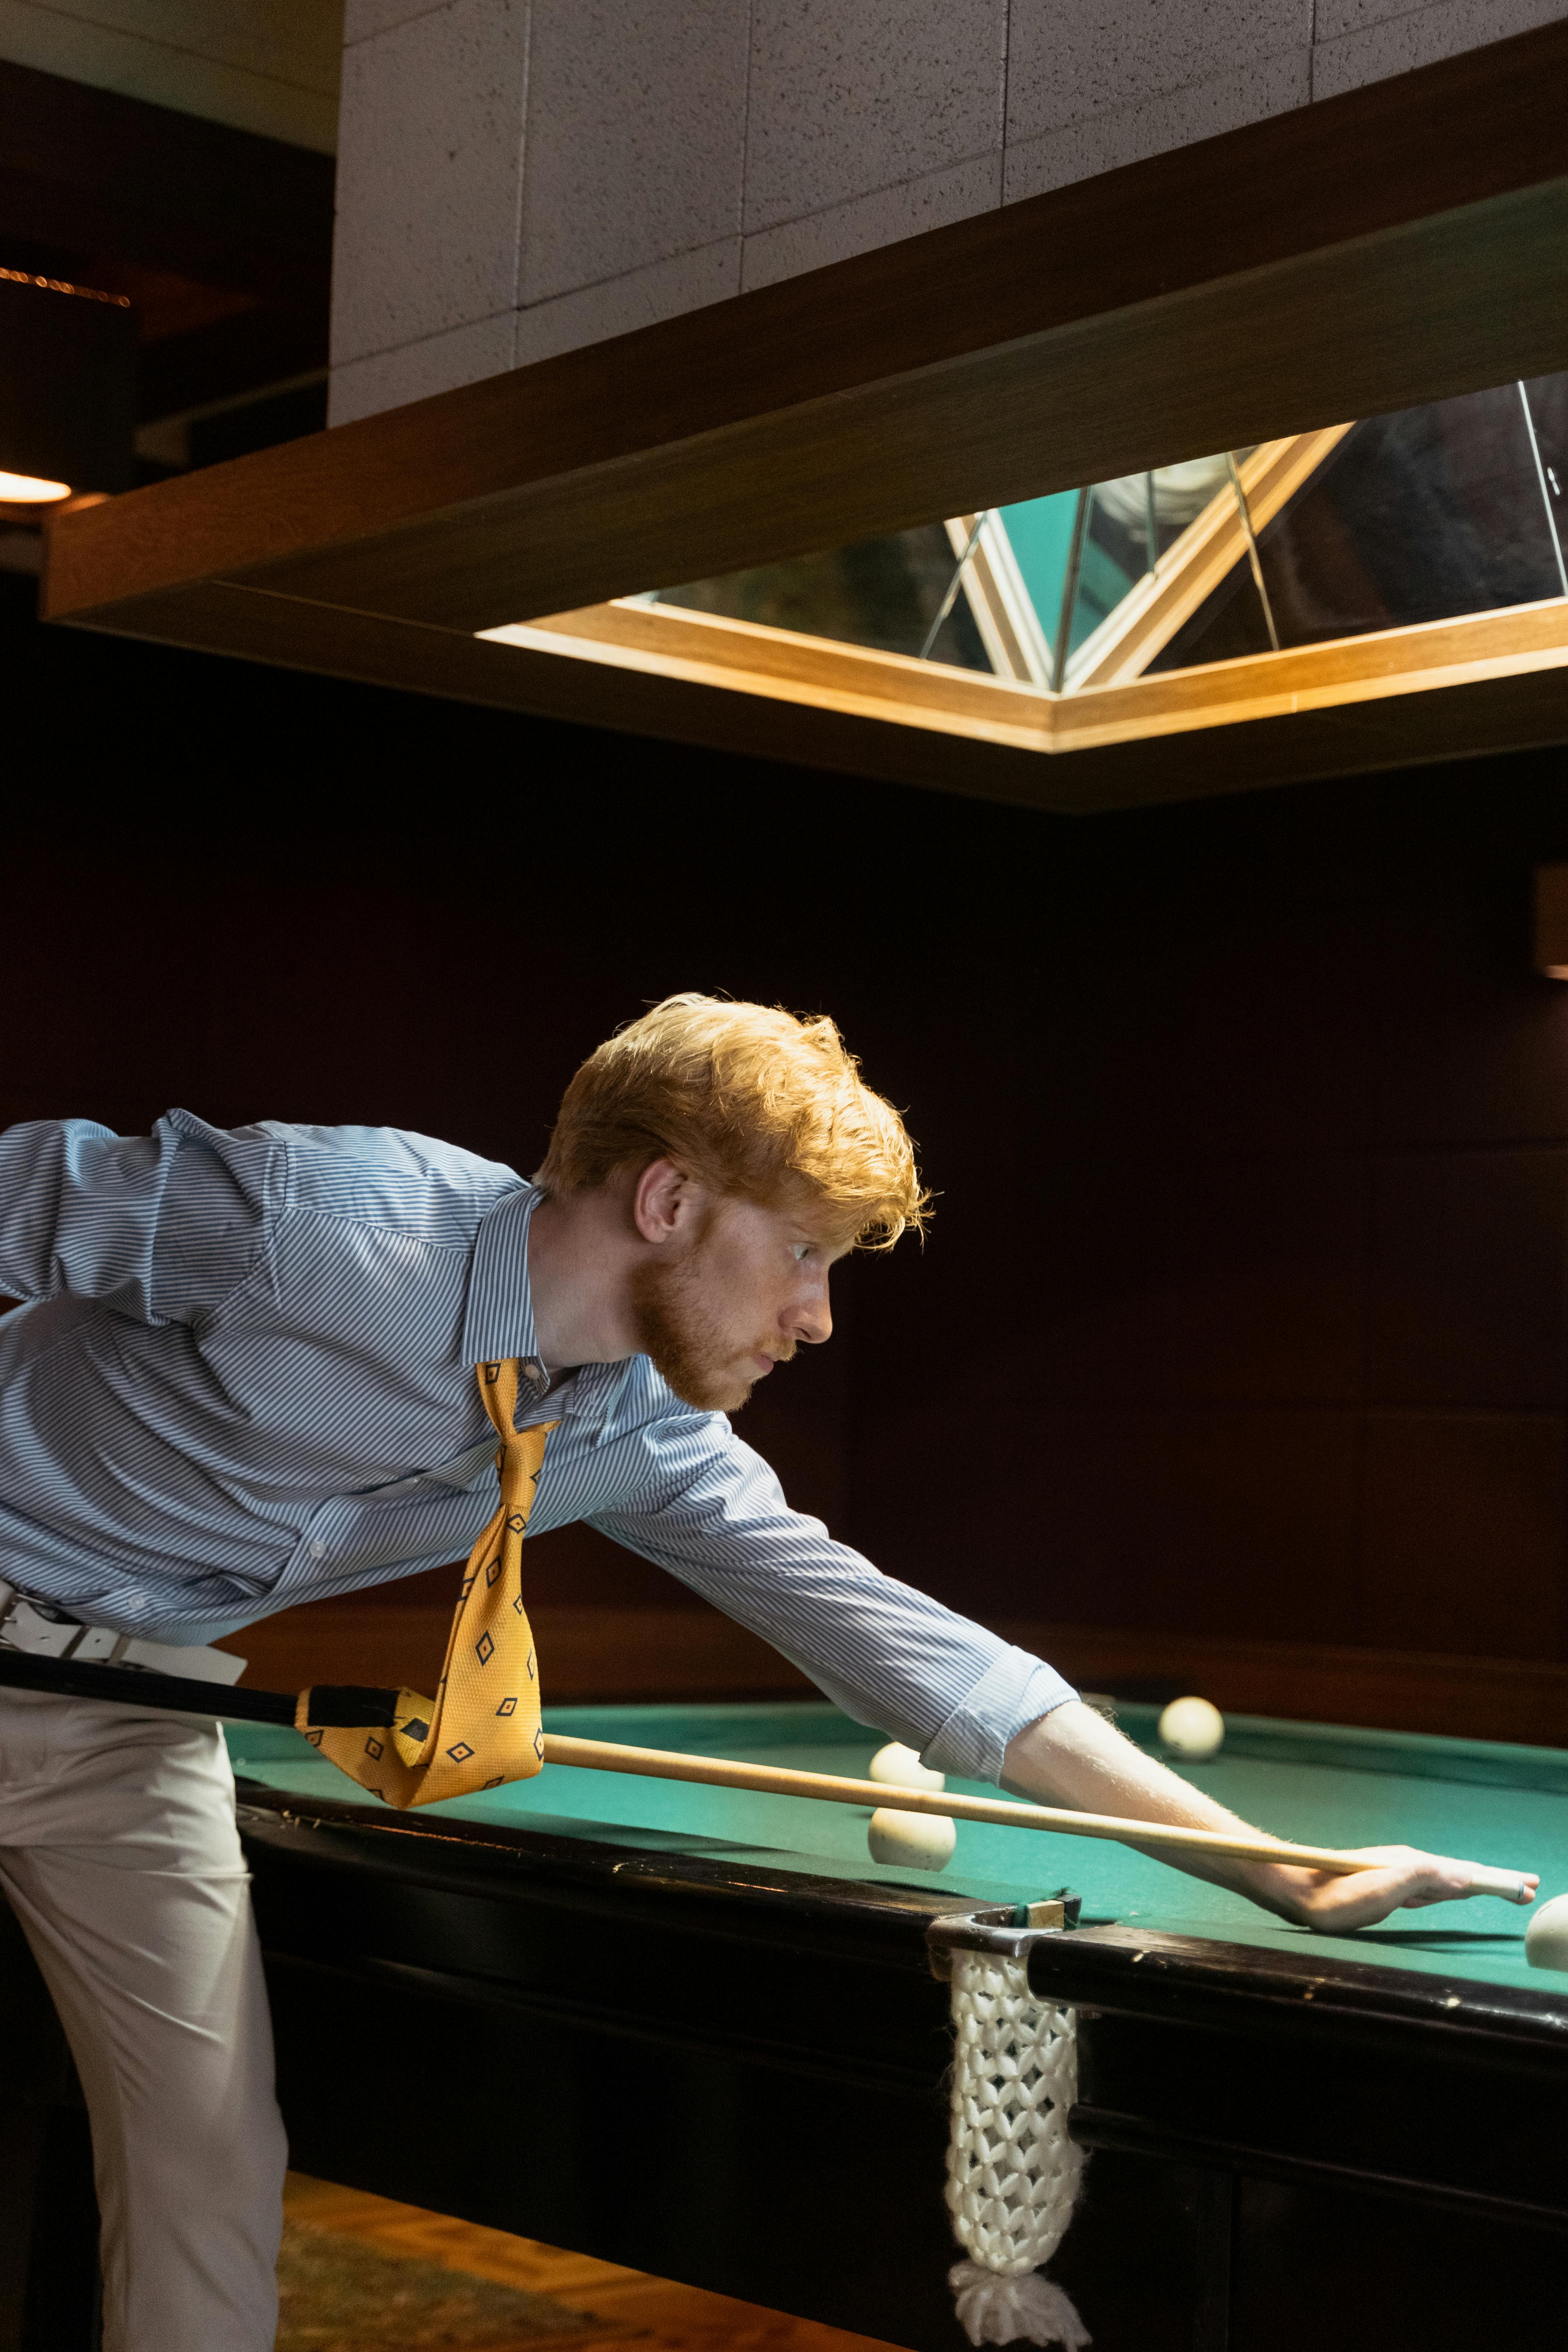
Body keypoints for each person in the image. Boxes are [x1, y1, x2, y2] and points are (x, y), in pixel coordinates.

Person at [0, 994, 1528, 2352]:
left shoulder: (639, 1433)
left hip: (129, 1714)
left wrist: (1275, 1871)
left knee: (209, 2159)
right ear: (668, 1199)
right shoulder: (323, 1220)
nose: (818, 1315)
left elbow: (915, 1653)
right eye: (803, 1253)